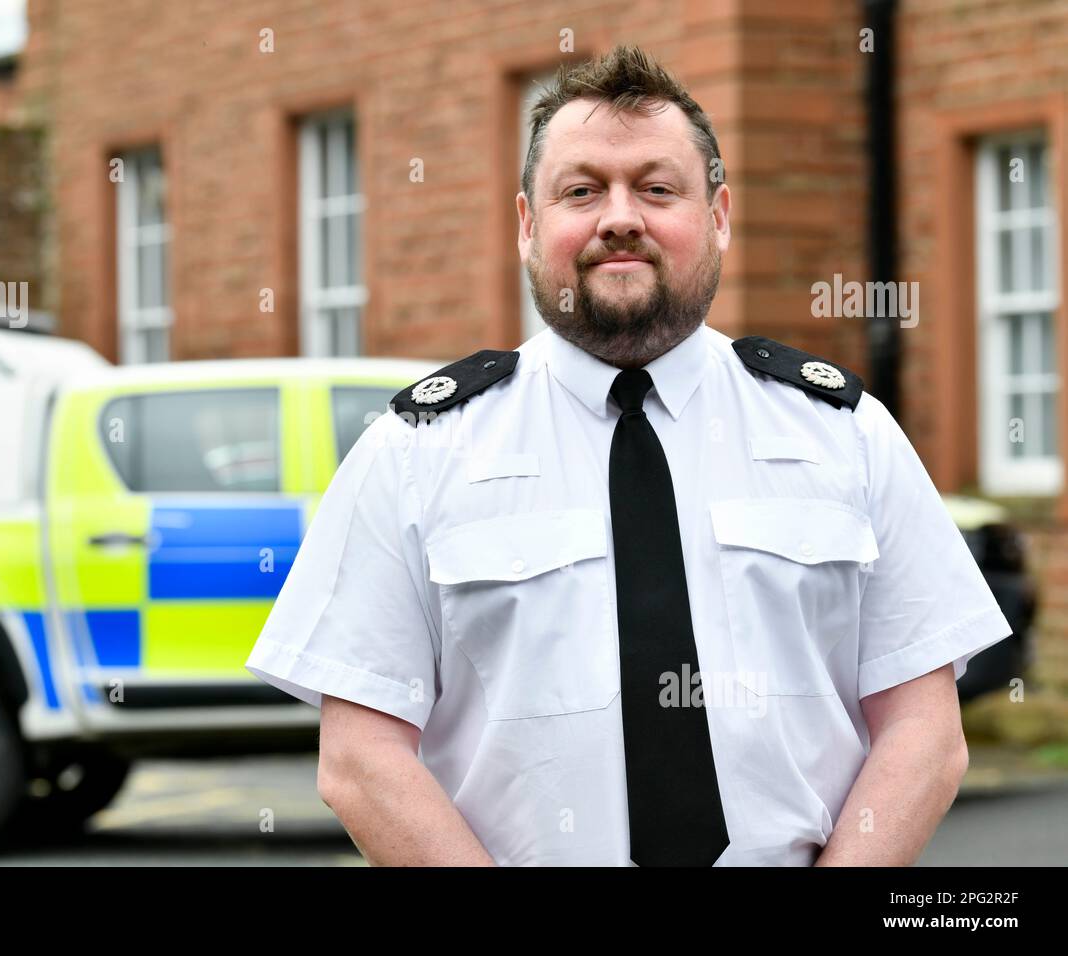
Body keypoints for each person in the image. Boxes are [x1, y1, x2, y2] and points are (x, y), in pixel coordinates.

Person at [245, 45, 1012, 866]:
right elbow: (360, 759)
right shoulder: (417, 451)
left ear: (718, 216)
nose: (619, 217)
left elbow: (925, 733)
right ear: (527, 225)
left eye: (656, 188)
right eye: (582, 191)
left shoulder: (842, 432)